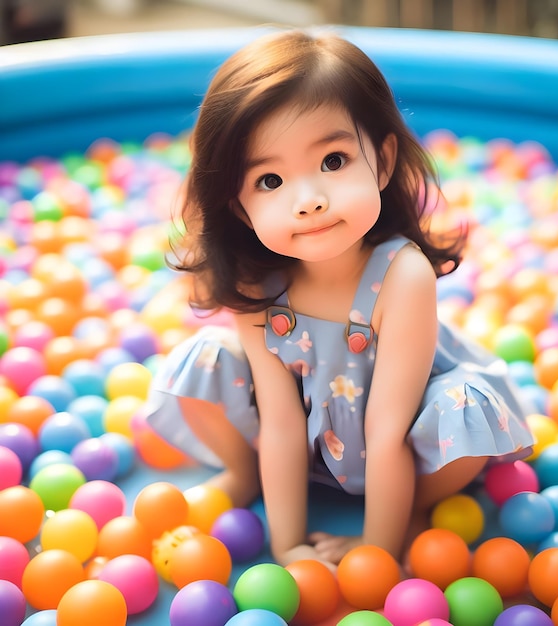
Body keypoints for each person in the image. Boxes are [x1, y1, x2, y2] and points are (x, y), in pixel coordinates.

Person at [145, 28, 535, 570]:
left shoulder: (402, 278)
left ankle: (411, 508)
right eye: (270, 180)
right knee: (201, 358)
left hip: (401, 440)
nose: (308, 201)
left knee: (465, 408)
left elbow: (388, 427)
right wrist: (289, 546)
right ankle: (244, 471)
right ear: (237, 206)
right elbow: (280, 420)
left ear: (382, 159)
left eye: (332, 161)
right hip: (307, 445)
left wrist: (377, 549)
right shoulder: (256, 285)